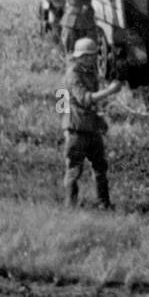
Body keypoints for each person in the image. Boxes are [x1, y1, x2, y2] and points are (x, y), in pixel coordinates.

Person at [62, 37, 122, 209]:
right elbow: (85, 99)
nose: (90, 59)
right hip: (77, 129)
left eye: (92, 56)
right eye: (86, 56)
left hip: (91, 127)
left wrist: (100, 119)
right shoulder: (73, 75)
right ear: (78, 57)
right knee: (74, 170)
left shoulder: (89, 73)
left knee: (101, 168)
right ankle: (70, 206)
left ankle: (104, 203)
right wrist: (109, 91)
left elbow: (92, 103)